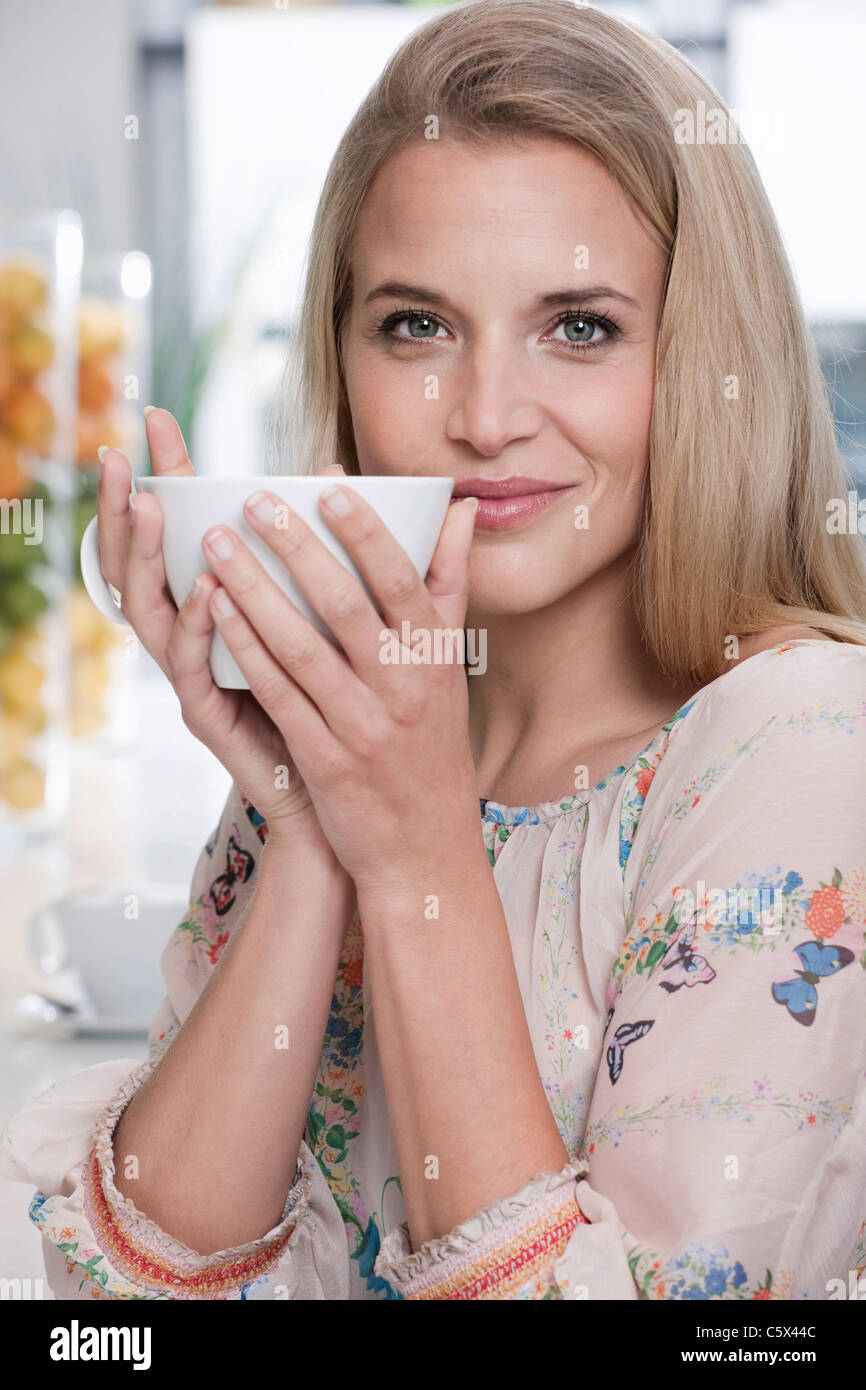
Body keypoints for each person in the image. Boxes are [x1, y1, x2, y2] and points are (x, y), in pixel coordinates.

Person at [3, 0, 866, 1301]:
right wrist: (306, 812)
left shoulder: (801, 745)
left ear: (701, 356)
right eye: (416, 325)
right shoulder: (357, 727)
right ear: (341, 359)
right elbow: (109, 1330)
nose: (484, 416)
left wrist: (409, 848)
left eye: (578, 325)